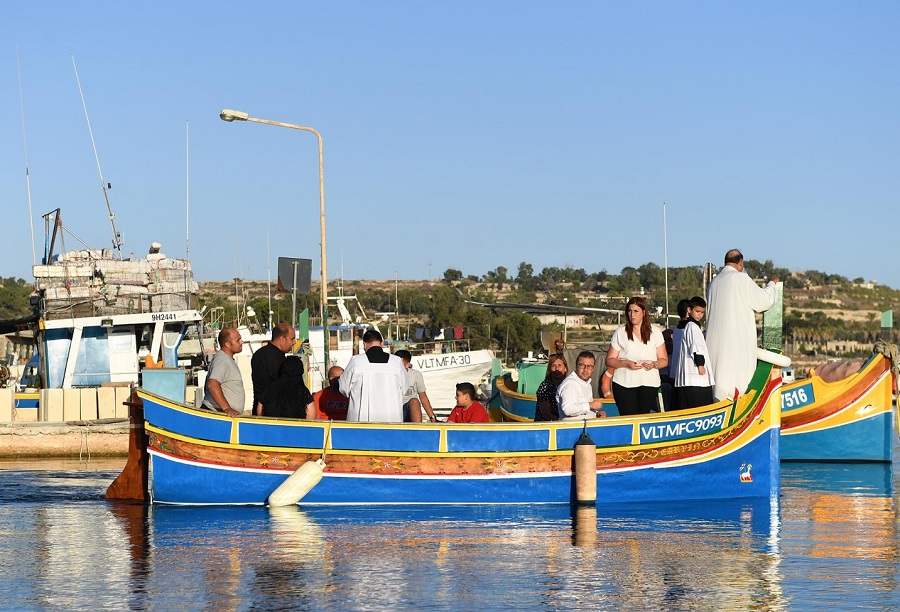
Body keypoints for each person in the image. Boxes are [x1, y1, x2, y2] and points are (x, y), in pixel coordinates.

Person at [706, 249, 778, 401]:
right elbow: (764, 301)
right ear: (741, 263)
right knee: (736, 386)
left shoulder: (714, 283)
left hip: (714, 350)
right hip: (735, 347)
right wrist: (772, 284)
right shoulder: (740, 278)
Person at [604, 297, 668, 416]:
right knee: (628, 418)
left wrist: (654, 364)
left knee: (642, 417)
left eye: (635, 311)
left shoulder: (655, 332)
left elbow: (664, 360)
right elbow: (609, 360)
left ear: (643, 313)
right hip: (624, 384)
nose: (632, 314)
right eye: (629, 311)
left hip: (649, 384)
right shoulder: (620, 332)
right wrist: (625, 363)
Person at [339, 329, 408, 422]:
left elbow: (344, 388)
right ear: (382, 343)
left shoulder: (356, 361)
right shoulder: (396, 362)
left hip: (361, 420)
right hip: (391, 418)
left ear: (364, 344)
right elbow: (405, 388)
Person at [674, 296, 715, 410]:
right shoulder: (692, 327)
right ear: (689, 310)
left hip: (690, 379)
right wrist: (700, 364)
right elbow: (696, 347)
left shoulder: (689, 326)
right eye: (697, 311)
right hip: (696, 378)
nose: (699, 315)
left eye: (702, 312)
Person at [250, 322, 296, 416]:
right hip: (274, 412)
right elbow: (281, 385)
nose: (295, 342)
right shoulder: (279, 359)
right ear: (282, 339)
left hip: (258, 408)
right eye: (292, 339)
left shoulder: (258, 354)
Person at [202, 327, 244, 417]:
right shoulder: (223, 360)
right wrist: (226, 408)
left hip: (220, 413)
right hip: (217, 413)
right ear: (227, 344)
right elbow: (212, 384)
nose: (241, 342)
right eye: (238, 340)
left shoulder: (225, 359)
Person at [556, 351, 606, 419]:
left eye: (589, 366)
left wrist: (596, 414)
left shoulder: (587, 384)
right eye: (582, 365)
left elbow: (584, 411)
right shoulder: (570, 384)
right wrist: (590, 405)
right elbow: (568, 409)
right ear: (576, 366)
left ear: (593, 369)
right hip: (572, 428)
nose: (585, 369)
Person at [396, 349, 438, 423]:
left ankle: (417, 429)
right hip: (394, 409)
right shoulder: (390, 375)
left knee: (414, 401)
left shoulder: (415, 375)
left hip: (409, 409)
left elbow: (423, 397)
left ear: (407, 365)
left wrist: (432, 417)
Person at [534, 354, 568, 421]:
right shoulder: (545, 387)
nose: (557, 369)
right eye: (554, 366)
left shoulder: (568, 385)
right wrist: (560, 423)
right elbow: (546, 413)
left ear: (565, 368)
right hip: (546, 425)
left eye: (559, 365)